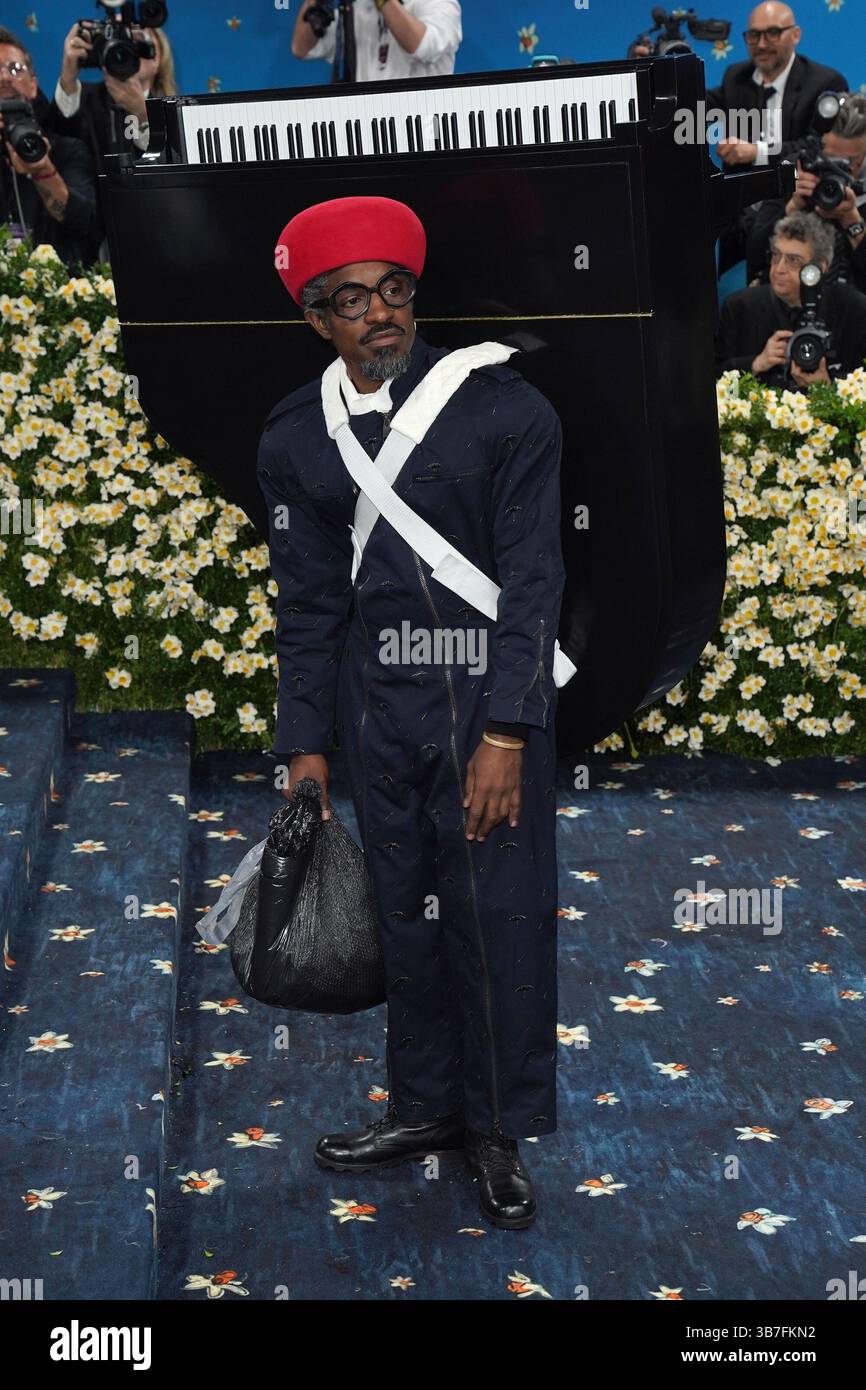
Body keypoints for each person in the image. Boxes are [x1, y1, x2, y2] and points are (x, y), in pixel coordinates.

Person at [257, 194, 565, 1230]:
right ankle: (426, 1105)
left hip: (486, 703)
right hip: (375, 711)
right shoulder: (296, 439)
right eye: (350, 301)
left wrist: (506, 733)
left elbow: (531, 583)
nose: (379, 315)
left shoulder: (505, 409)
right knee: (408, 913)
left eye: (393, 292)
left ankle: (495, 1129)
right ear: (317, 320)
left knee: (496, 920)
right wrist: (305, 749)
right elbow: (305, 604)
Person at [715, 211, 866, 388]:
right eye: (776, 255)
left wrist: (827, 386)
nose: (779, 269)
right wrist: (756, 364)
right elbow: (712, 376)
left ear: (821, 267)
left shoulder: (854, 309)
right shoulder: (740, 306)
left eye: (793, 260)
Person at [0, 28, 100, 268]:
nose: (4, 78)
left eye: (15, 69)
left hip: (58, 289)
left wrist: (42, 169)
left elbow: (83, 220)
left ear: (34, 85)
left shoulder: (67, 150)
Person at [745, 94, 866, 292]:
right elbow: (755, 254)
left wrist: (853, 222)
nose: (838, 171)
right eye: (829, 160)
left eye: (849, 163)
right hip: (790, 298)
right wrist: (793, 207)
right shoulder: (796, 168)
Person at [705, 2, 846, 171]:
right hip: (744, 193)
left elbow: (820, 147)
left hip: (799, 190)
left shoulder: (825, 84)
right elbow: (700, 103)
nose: (762, 44)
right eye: (754, 35)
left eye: (773, 33)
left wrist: (758, 152)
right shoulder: (736, 76)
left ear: (795, 35)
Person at [47, 19, 177, 170]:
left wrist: (142, 114)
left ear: (156, 57)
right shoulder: (81, 98)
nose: (127, 49)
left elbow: (171, 168)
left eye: (138, 42)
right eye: (120, 41)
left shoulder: (171, 112)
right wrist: (68, 78)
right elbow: (57, 147)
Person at [291, 0, 461, 82]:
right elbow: (302, 48)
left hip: (422, 138)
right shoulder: (359, 8)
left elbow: (420, 45)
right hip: (371, 138)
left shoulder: (438, 3)